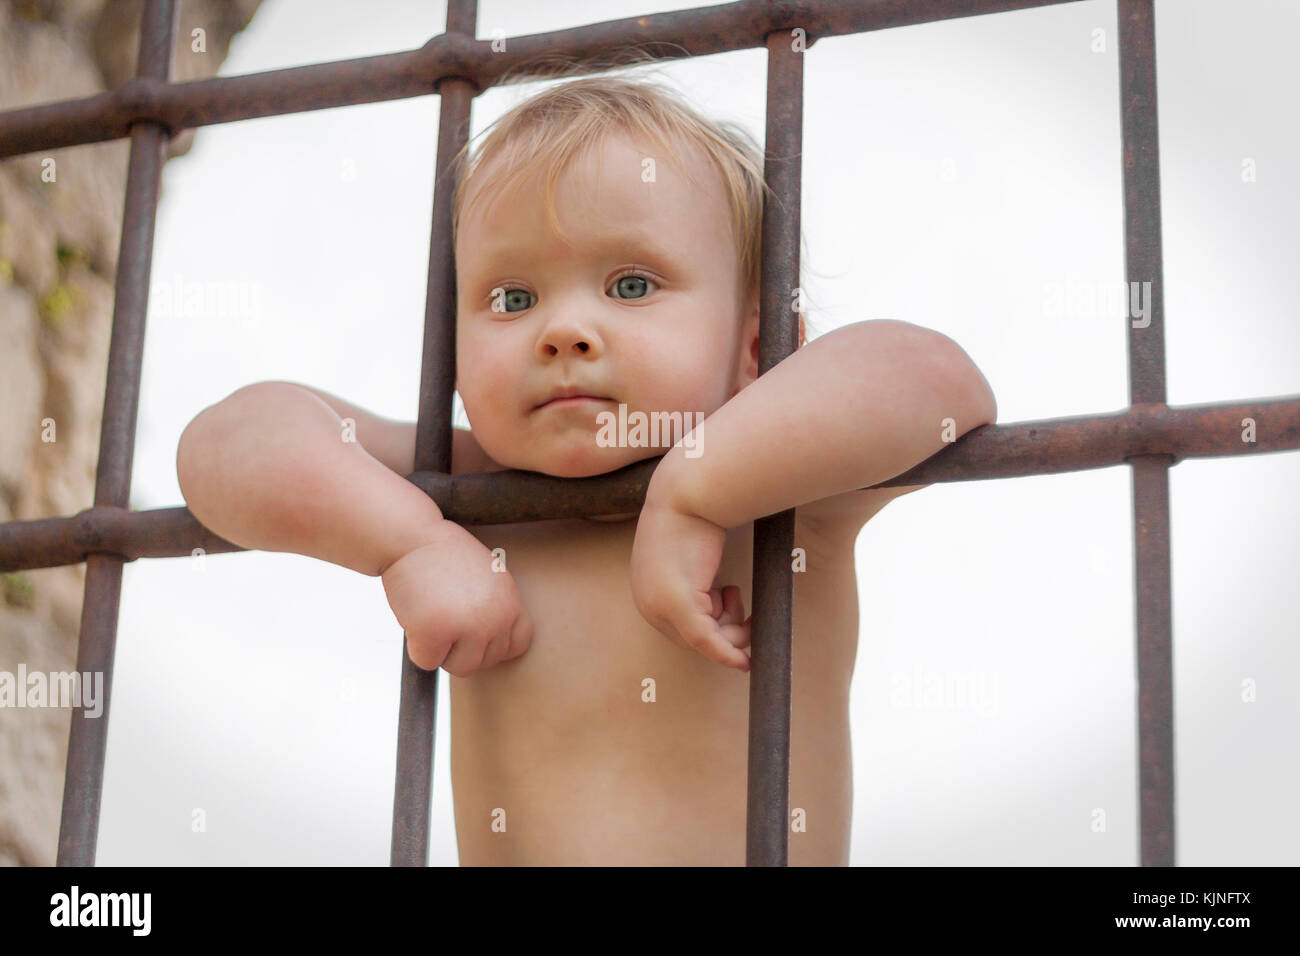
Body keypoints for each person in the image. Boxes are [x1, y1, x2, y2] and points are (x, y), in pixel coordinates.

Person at [175, 74, 997, 865]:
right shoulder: (465, 492)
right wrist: (408, 542)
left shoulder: (787, 494)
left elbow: (940, 378)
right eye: (511, 300)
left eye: (631, 285)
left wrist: (695, 491)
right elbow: (224, 446)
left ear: (756, 349)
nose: (564, 330)